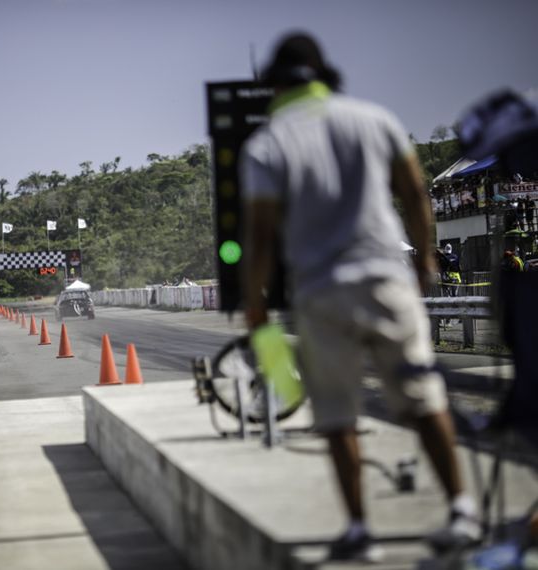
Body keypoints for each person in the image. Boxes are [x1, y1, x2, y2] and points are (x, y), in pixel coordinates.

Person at [240, 32, 480, 561]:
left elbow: (258, 235)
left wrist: (255, 304)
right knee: (423, 399)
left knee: (337, 414)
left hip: (321, 290)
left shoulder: (266, 144)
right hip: (386, 277)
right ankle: (462, 508)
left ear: (274, 86)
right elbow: (415, 193)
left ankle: (357, 529)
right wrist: (425, 261)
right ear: (324, 75)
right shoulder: (374, 118)